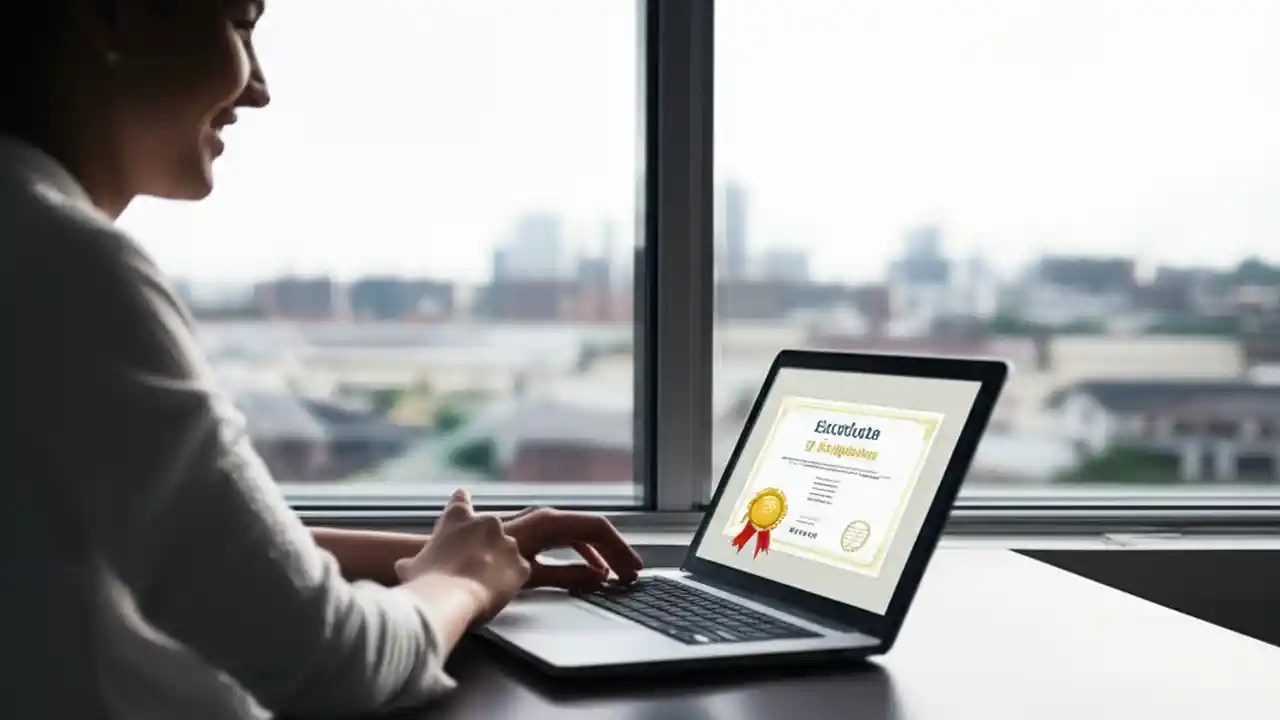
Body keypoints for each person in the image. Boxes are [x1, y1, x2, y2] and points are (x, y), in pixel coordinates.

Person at [5, 1, 643, 717]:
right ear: (114, 17)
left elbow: (204, 554)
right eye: (241, 24)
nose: (259, 86)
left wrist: (467, 555)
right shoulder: (66, 268)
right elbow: (331, 663)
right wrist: (462, 584)